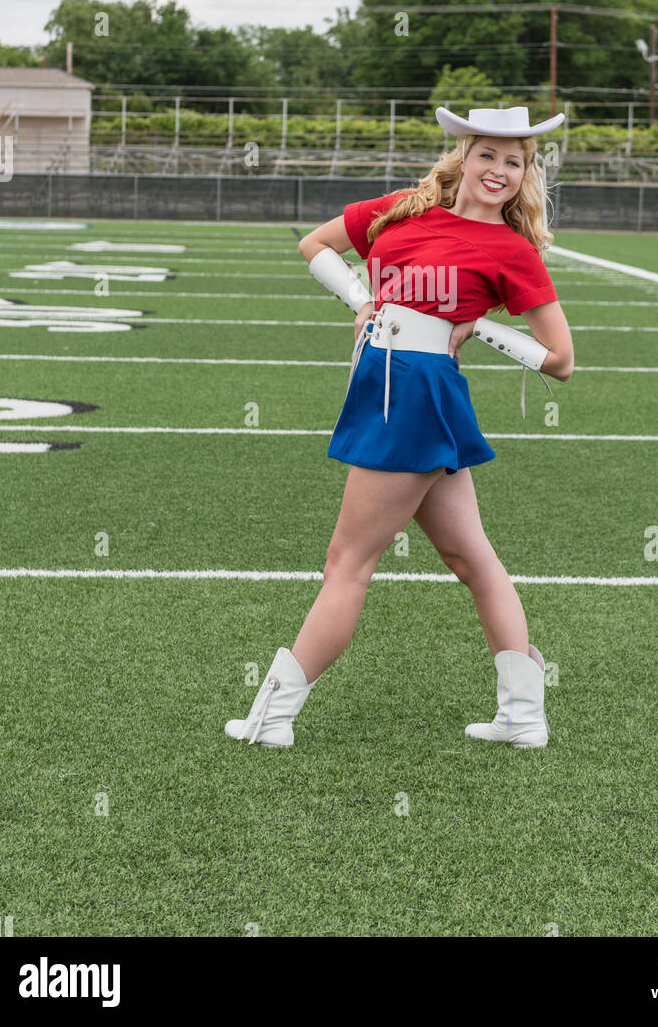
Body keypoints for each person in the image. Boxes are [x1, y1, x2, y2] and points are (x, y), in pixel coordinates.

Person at [224, 104, 574, 750]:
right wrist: (362, 300)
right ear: (463, 156)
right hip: (386, 383)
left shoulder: (511, 250)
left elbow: (560, 360)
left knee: (348, 562)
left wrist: (480, 327)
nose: (497, 170)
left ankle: (272, 716)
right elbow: (314, 244)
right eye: (487, 155)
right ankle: (523, 717)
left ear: (526, 174)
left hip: (412, 394)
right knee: (471, 558)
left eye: (513, 161)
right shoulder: (402, 208)